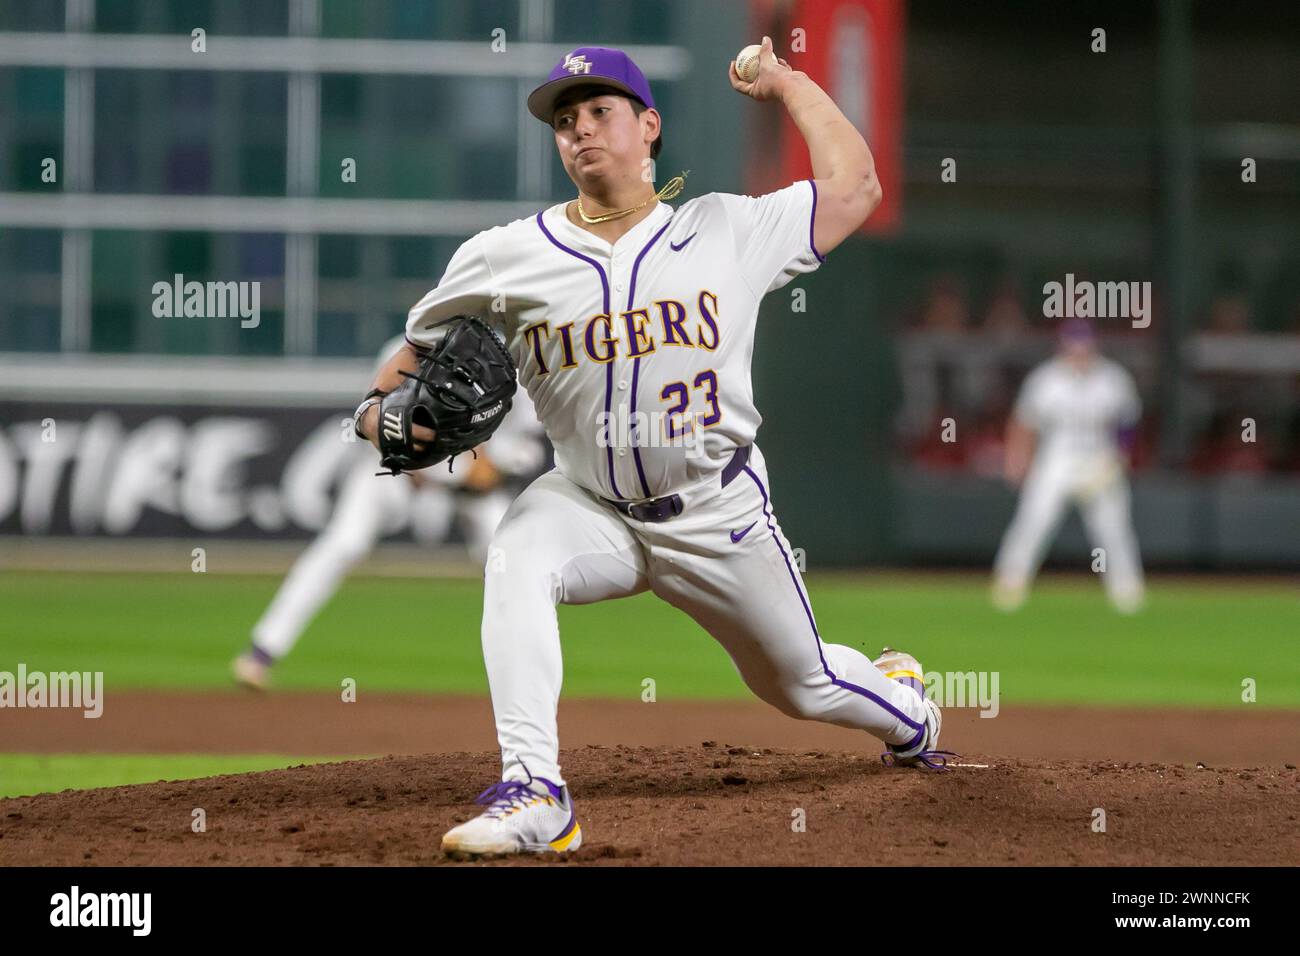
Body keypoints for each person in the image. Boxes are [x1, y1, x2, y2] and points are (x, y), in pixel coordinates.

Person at [354, 40, 947, 858]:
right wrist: (373, 413)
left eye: (600, 111)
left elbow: (856, 185)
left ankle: (909, 708)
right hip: (588, 505)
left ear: (649, 126)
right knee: (515, 556)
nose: (581, 130)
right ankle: (535, 790)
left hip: (716, 511)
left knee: (802, 685)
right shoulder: (502, 256)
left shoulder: (728, 229)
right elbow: (412, 355)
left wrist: (790, 82)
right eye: (566, 120)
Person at [232, 338, 546, 690]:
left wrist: (499, 466)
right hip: (394, 469)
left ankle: (529, 676)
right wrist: (422, 461)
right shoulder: (407, 348)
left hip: (472, 482)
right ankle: (262, 652)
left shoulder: (512, 365)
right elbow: (372, 420)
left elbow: (528, 444)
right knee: (344, 543)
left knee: (507, 559)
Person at [991, 319, 1145, 613]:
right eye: (1073, 345)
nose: (1079, 352)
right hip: (1057, 457)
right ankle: (1010, 583)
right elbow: (1024, 422)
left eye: (1084, 345)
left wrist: (1121, 455)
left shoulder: (1112, 378)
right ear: (1063, 346)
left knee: (1113, 528)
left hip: (1099, 457)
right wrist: (1017, 459)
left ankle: (1126, 590)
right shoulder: (1045, 379)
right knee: (1033, 522)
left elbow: (1128, 420)